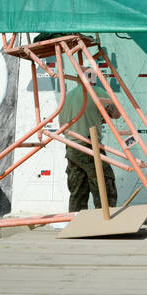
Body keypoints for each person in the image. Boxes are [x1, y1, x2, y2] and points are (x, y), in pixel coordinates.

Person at [57, 67, 119, 212]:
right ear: (92, 78)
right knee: (104, 185)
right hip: (89, 146)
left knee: (78, 190)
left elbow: (62, 125)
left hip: (72, 148)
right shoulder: (96, 92)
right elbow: (116, 114)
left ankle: (76, 224)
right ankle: (105, 222)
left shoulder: (67, 97)